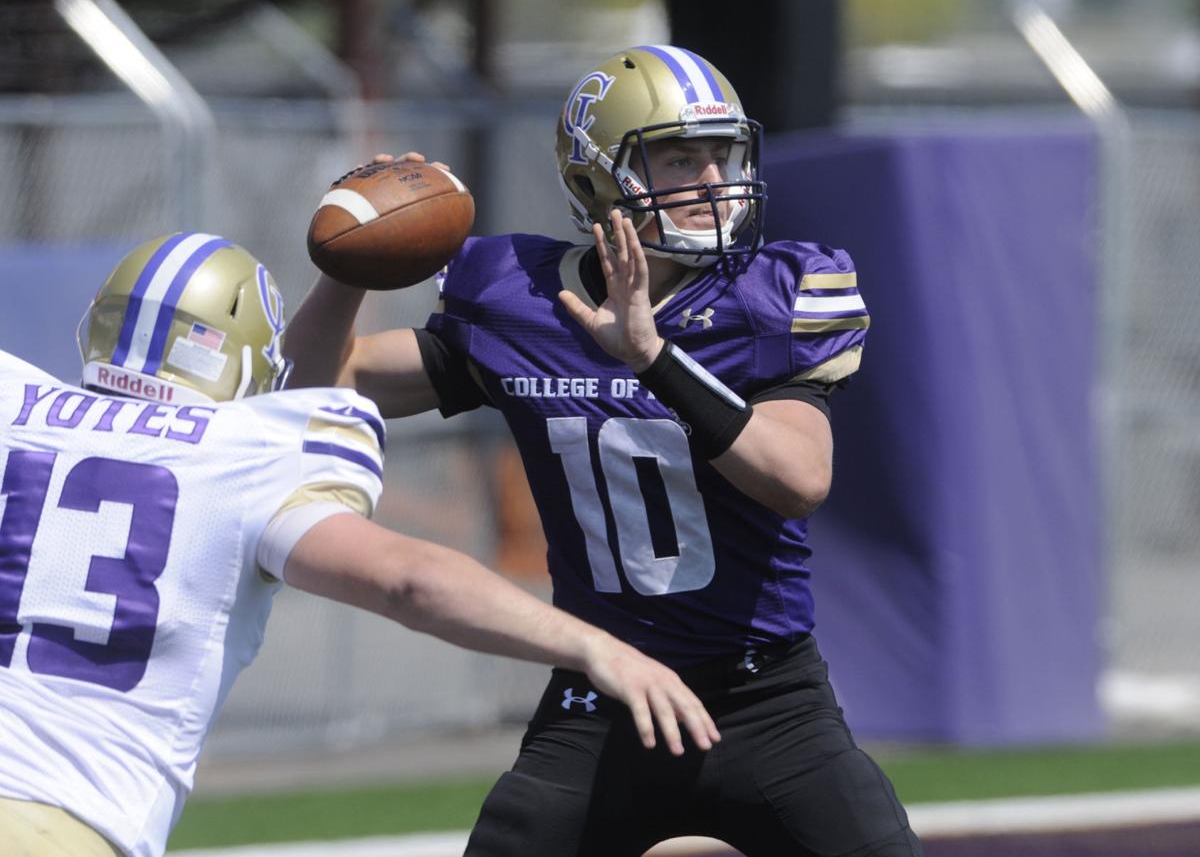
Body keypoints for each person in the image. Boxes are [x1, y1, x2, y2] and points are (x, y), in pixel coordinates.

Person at [286, 44, 922, 856]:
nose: (707, 179)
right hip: (603, 697)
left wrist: (652, 358)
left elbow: (798, 478)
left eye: (719, 152)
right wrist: (348, 266)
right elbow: (316, 384)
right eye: (676, 157)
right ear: (596, 178)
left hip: (769, 702)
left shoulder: (769, 295)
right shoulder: (520, 297)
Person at [0, 232, 719, 857]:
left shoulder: (14, 404)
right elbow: (407, 578)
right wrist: (596, 645)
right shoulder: (246, 452)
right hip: (58, 820)